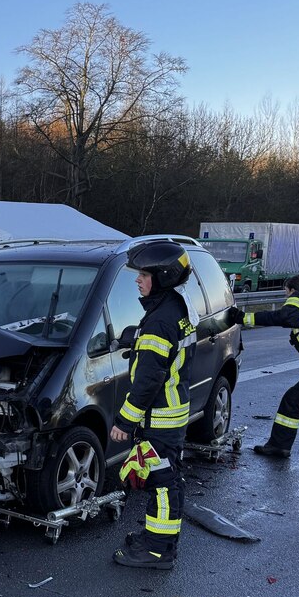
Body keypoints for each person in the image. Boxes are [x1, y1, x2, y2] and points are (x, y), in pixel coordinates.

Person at [110, 240, 197, 570]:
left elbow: (148, 381)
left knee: (160, 483)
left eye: (144, 275)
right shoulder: (174, 306)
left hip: (160, 416)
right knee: (170, 478)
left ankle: (157, 551)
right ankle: (160, 541)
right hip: (173, 412)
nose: (137, 280)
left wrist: (124, 421)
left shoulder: (160, 320)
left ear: (162, 276)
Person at [228, 274, 299, 458]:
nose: (287, 298)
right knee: (293, 399)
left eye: (288, 293)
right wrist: (242, 318)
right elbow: (277, 317)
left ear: (295, 291)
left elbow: (288, 317)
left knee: (293, 399)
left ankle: (279, 446)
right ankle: (279, 447)